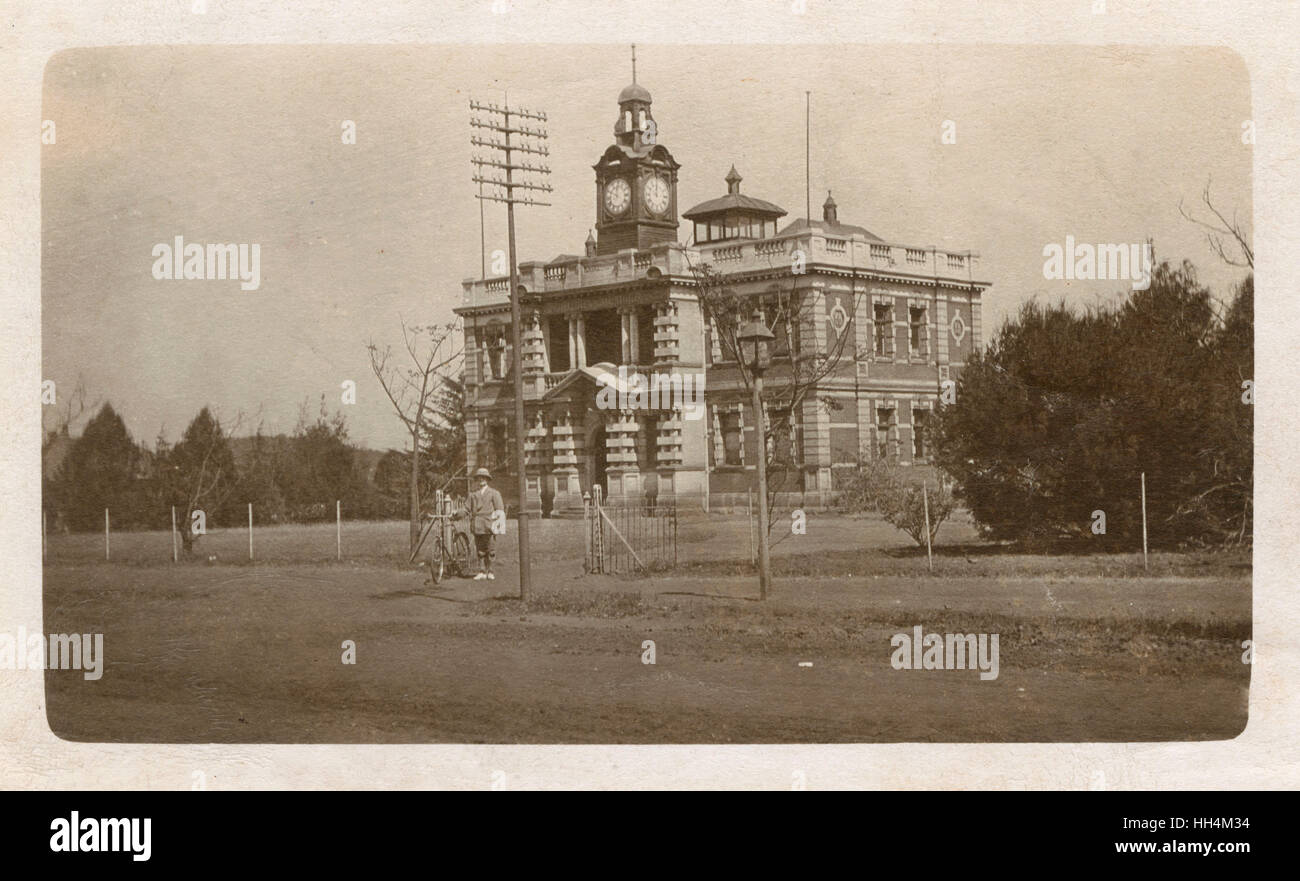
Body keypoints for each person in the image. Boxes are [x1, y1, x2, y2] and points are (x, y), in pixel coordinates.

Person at [466, 467, 504, 580]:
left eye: (483, 478)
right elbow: (466, 508)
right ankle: (482, 571)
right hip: (477, 524)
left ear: (487, 480)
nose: (481, 480)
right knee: (480, 549)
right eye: (479, 478)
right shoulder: (473, 495)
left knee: (490, 548)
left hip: (489, 525)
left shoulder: (494, 493)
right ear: (477, 480)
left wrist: (498, 527)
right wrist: (456, 514)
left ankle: (490, 570)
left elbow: (499, 510)